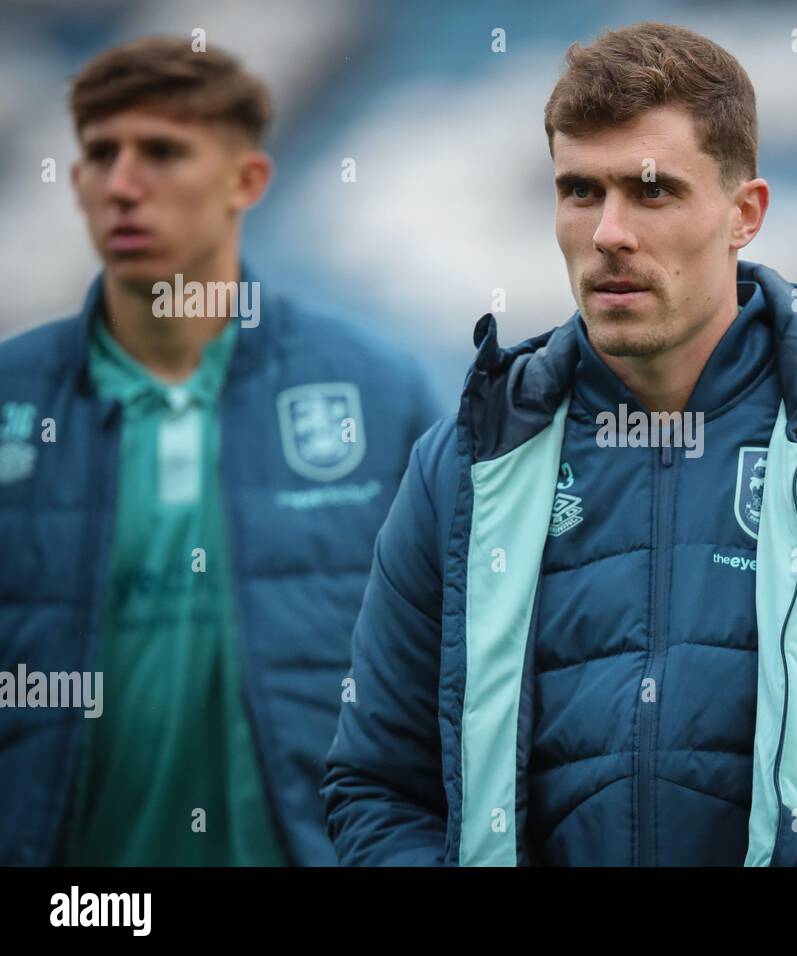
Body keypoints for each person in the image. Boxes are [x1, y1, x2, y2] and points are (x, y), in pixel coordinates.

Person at [321, 21, 797, 866]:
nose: (610, 232)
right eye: (581, 191)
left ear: (744, 214)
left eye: (651, 191)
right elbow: (377, 785)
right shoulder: (468, 465)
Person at [0, 36, 440, 865]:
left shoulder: (378, 393)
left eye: (163, 153)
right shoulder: (13, 398)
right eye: (101, 154)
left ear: (248, 181)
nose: (124, 185)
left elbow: (467, 667)